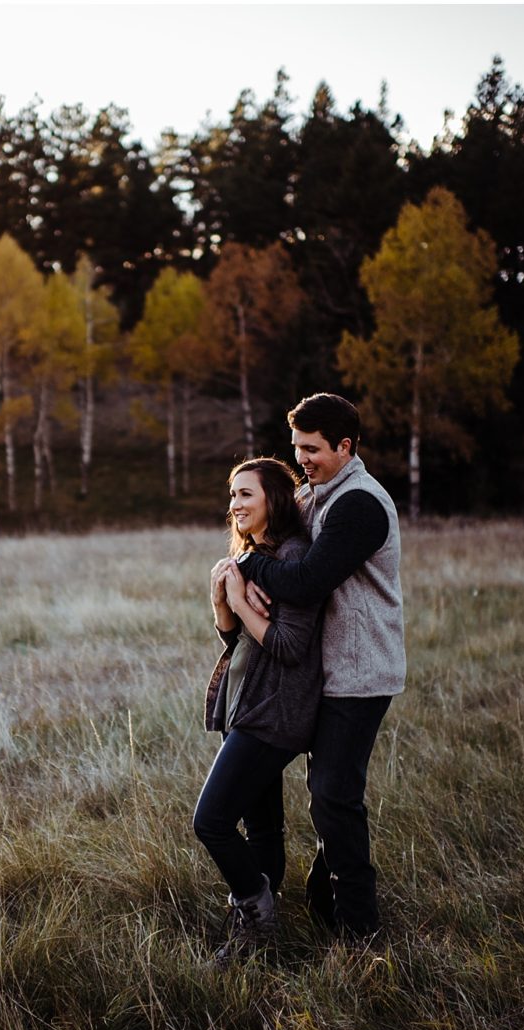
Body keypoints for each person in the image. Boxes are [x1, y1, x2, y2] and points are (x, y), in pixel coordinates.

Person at [229, 392, 404, 943]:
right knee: (322, 790)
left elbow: (304, 582)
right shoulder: (317, 496)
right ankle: (321, 898)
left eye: (312, 449)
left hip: (360, 673)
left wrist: (245, 563)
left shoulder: (359, 504)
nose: (301, 459)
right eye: (296, 447)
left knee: (334, 794)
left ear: (345, 447)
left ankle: (360, 931)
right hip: (319, 671)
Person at [193, 457, 324, 967]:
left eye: (246, 494)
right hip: (248, 706)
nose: (234, 505)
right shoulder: (255, 554)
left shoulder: (293, 558)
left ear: (274, 498)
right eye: (232, 495)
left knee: (212, 821)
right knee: (263, 828)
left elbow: (290, 645)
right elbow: (238, 637)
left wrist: (241, 600)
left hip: (276, 713)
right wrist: (221, 601)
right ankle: (264, 936)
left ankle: (254, 912)